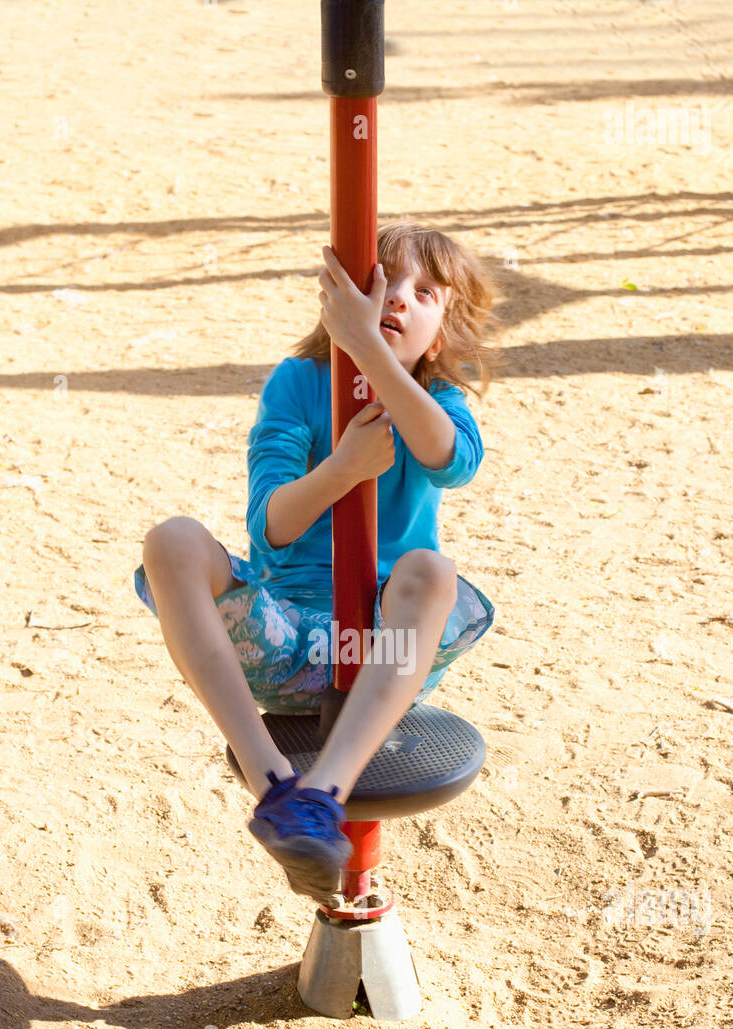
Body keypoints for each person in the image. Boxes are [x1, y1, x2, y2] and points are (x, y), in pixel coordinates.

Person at [134, 222, 498, 905]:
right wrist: (341, 470)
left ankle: (322, 795)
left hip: (385, 656)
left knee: (432, 570)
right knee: (172, 539)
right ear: (343, 297)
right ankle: (272, 780)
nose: (399, 299)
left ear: (442, 334)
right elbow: (271, 527)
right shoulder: (300, 383)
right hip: (287, 639)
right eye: (384, 282)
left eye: (425, 293)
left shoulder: (437, 403)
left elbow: (454, 460)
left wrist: (368, 350)